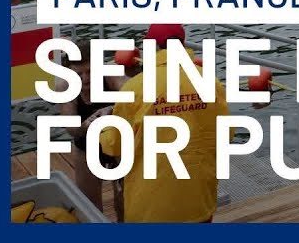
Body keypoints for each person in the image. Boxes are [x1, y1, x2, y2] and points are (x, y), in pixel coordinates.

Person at [100, 24, 228, 223]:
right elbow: (225, 134)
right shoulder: (210, 82)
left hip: (150, 207)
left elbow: (113, 144)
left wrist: (104, 125)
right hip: (198, 200)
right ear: (184, 44)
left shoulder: (135, 87)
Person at [59, 43, 123, 213]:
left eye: (90, 72)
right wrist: (87, 125)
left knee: (124, 196)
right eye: (79, 74)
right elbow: (71, 128)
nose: (85, 78)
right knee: (89, 204)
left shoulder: (111, 76)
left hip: (118, 140)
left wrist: (112, 109)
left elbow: (136, 101)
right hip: (87, 143)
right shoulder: (65, 86)